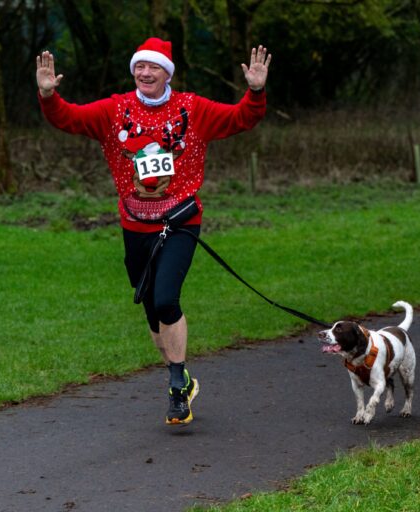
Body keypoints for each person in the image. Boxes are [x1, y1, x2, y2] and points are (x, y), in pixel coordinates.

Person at [36, 37, 271, 425]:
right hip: (135, 224)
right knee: (150, 312)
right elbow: (69, 118)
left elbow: (241, 118)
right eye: (140, 67)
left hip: (180, 221)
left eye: (154, 68)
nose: (146, 73)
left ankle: (178, 386)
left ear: (168, 74)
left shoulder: (193, 109)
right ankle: (179, 375)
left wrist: (256, 91)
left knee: (166, 300)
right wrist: (48, 96)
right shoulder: (115, 110)